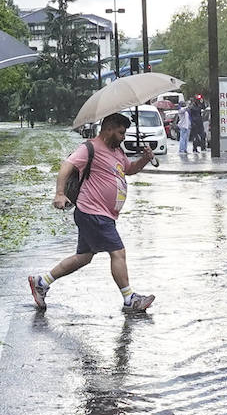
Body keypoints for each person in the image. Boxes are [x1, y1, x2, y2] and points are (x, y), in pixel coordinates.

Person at [28, 112, 155, 313]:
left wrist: (145, 159)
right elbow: (66, 166)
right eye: (121, 132)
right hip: (93, 212)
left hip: (103, 214)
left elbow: (129, 170)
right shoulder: (89, 148)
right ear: (109, 128)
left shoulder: (117, 152)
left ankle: (41, 282)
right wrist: (59, 193)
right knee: (118, 252)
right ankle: (129, 298)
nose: (123, 137)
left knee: (83, 257)